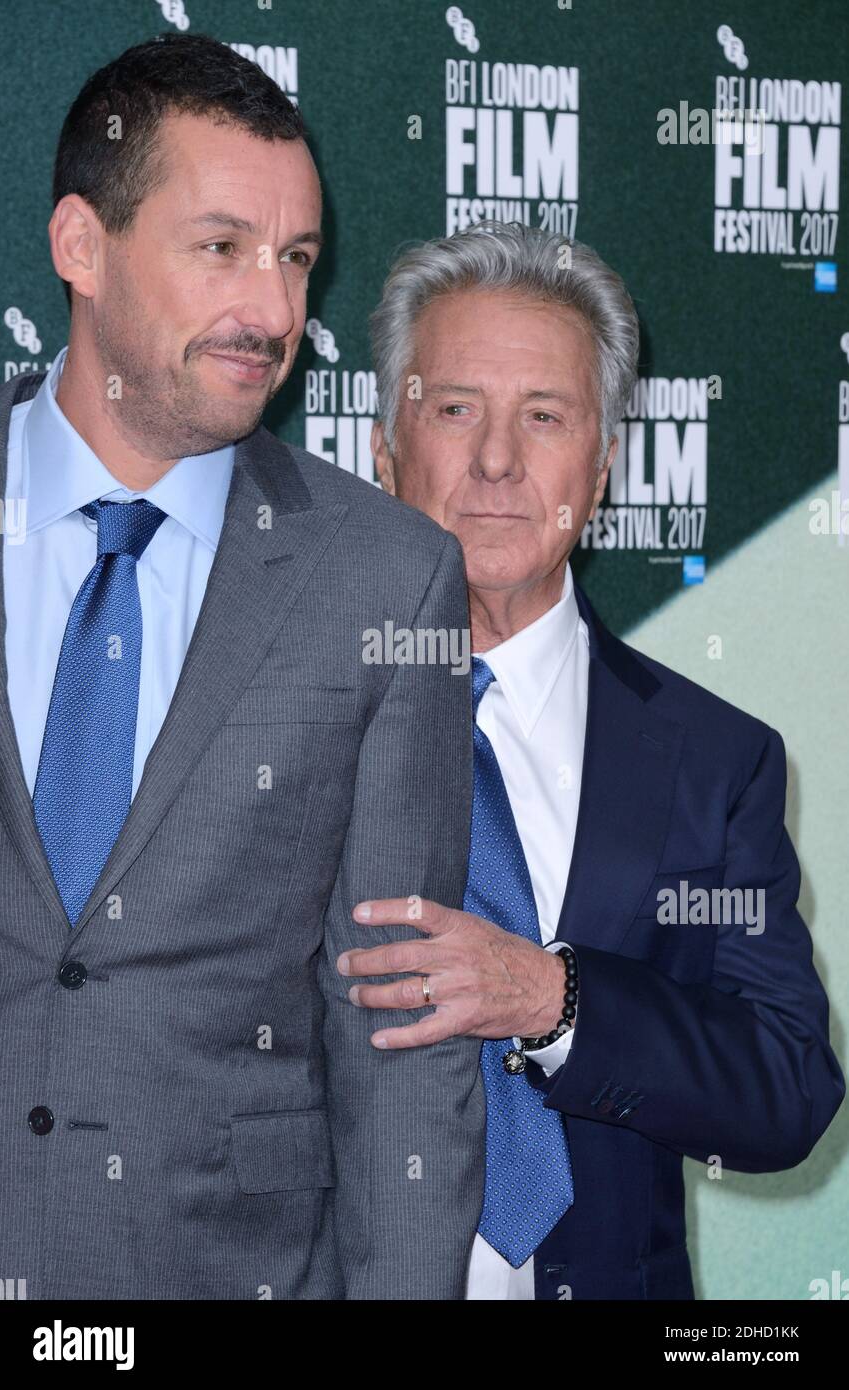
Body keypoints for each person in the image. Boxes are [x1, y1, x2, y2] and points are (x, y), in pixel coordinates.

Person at [0, 32, 484, 1300]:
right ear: (81, 248)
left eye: (296, 259)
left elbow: (399, 1029)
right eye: (221, 249)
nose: (275, 311)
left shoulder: (385, 577)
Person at [340, 220, 846, 1300]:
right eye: (455, 408)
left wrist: (551, 999)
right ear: (384, 449)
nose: (493, 460)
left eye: (544, 416)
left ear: (603, 465)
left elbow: (783, 1086)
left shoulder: (715, 760)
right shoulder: (276, 724)